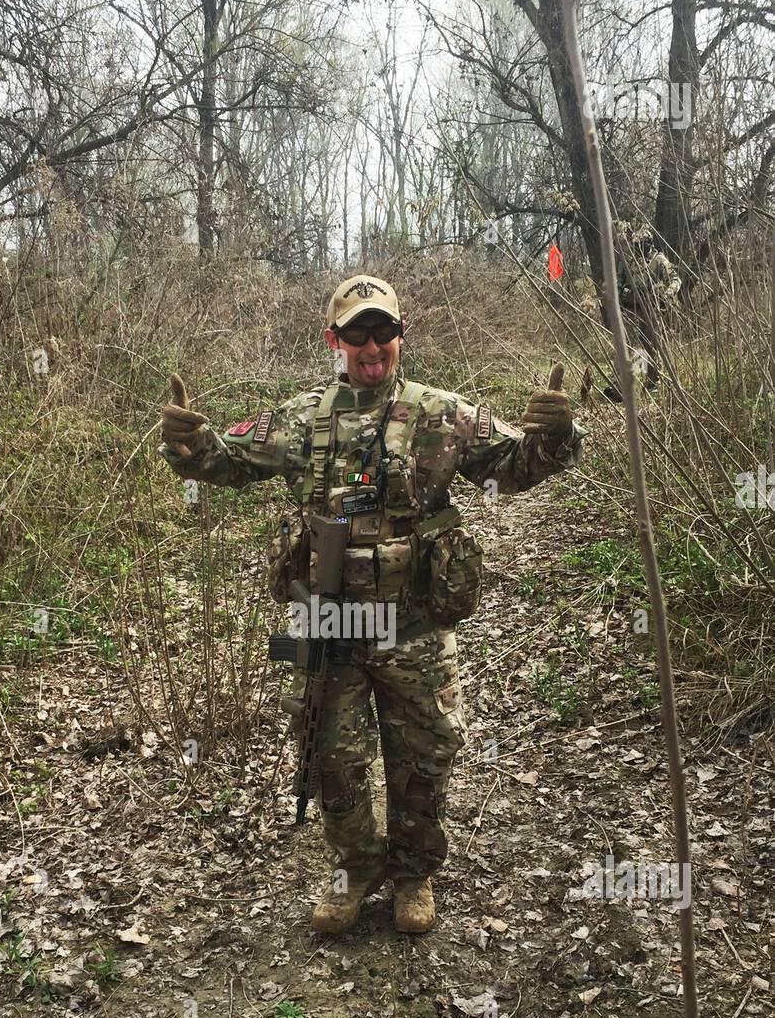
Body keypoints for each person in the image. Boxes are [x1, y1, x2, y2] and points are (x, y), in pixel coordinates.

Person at [159, 274, 583, 936]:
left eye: (383, 330)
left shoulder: (443, 414)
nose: (372, 345)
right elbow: (226, 459)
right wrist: (188, 445)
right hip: (330, 621)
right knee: (331, 755)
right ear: (335, 341)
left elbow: (516, 466)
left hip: (413, 621)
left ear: (400, 336)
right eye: (357, 333)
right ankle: (355, 869)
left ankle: (413, 873)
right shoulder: (301, 419)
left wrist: (555, 437)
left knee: (425, 752)